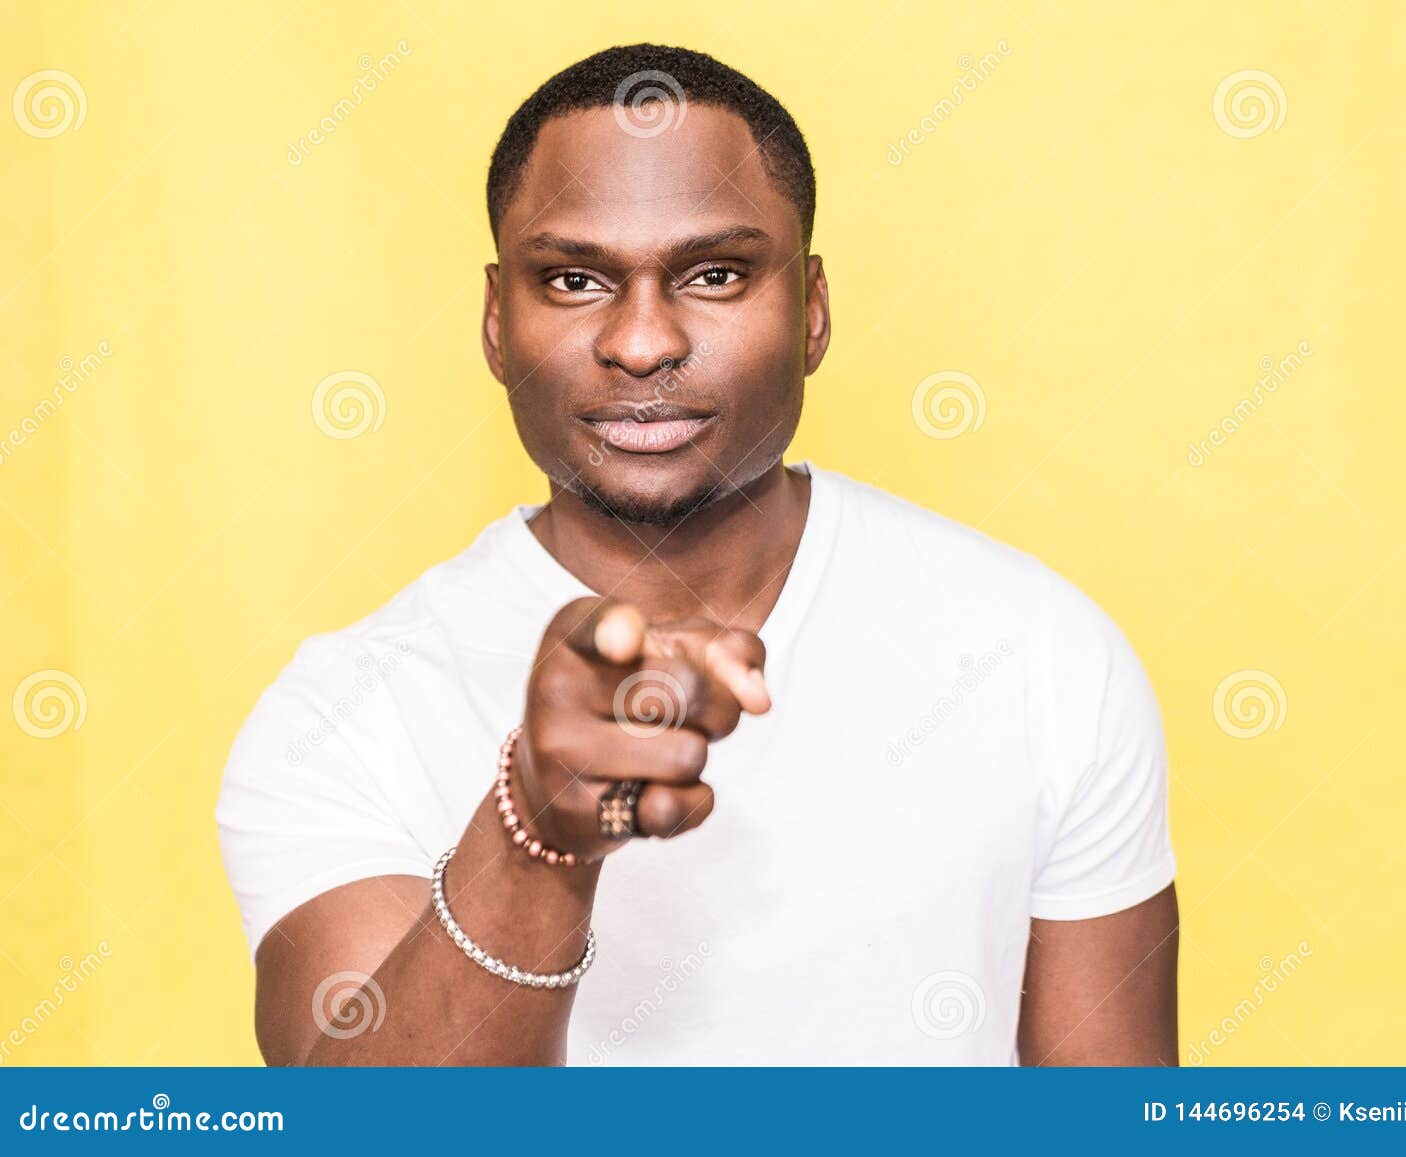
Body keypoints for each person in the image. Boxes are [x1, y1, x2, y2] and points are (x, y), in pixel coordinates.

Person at [217, 42, 1179, 1066]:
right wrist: (534, 835)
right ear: (498, 321)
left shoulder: (1037, 650)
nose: (641, 343)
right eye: (574, 279)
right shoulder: (338, 715)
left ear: (811, 309)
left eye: (715, 274)